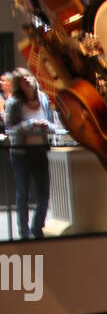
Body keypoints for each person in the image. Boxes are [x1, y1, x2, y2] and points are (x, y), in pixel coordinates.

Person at [4, 67, 53, 239]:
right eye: (23, 79)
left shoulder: (44, 99)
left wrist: (47, 126)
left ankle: (37, 228)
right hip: (21, 154)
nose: (28, 81)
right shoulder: (13, 102)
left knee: (44, 194)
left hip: (40, 152)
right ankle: (24, 232)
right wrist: (29, 124)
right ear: (19, 84)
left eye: (29, 77)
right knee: (23, 194)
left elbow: (53, 125)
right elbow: (10, 129)